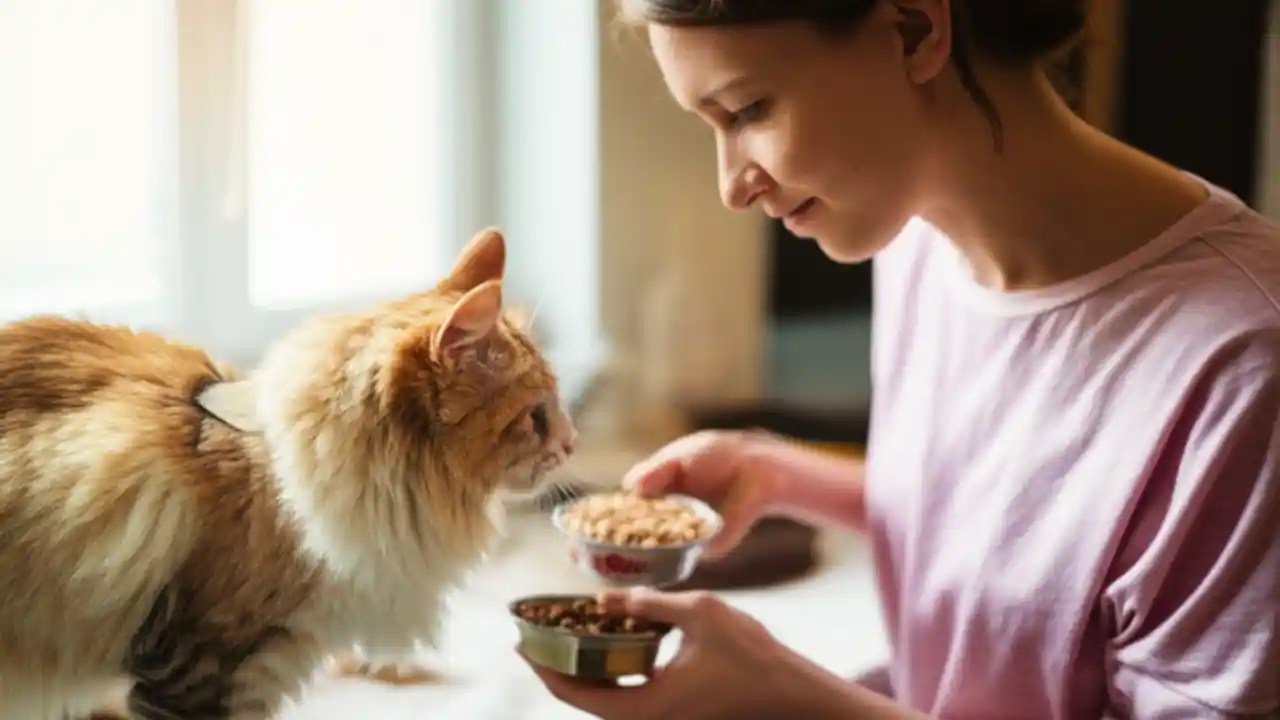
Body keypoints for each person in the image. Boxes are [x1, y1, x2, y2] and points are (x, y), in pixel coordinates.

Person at [520, 1, 1280, 717]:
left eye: (749, 111)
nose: (732, 186)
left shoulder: (1242, 363)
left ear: (915, 29)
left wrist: (792, 699)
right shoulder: (917, 242)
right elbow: (1030, 525)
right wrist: (781, 472)